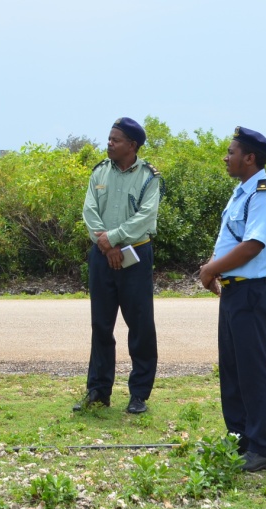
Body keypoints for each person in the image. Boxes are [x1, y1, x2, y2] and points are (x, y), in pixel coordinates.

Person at [198, 127, 266, 473]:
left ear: (249, 157)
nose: (226, 157)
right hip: (235, 291)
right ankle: (240, 440)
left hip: (252, 291)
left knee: (253, 371)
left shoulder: (264, 196)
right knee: (233, 370)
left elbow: (253, 246)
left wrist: (211, 269)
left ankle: (263, 448)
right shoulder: (242, 192)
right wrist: (214, 267)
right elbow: (231, 239)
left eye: (231, 152)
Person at [74, 117, 162, 414]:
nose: (109, 143)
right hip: (102, 256)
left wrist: (113, 238)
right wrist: (107, 245)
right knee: (101, 324)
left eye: (116, 139)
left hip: (135, 256)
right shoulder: (99, 171)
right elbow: (89, 211)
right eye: (109, 138)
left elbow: (146, 217)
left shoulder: (149, 177)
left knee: (140, 325)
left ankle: (139, 394)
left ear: (132, 145)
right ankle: (98, 392)